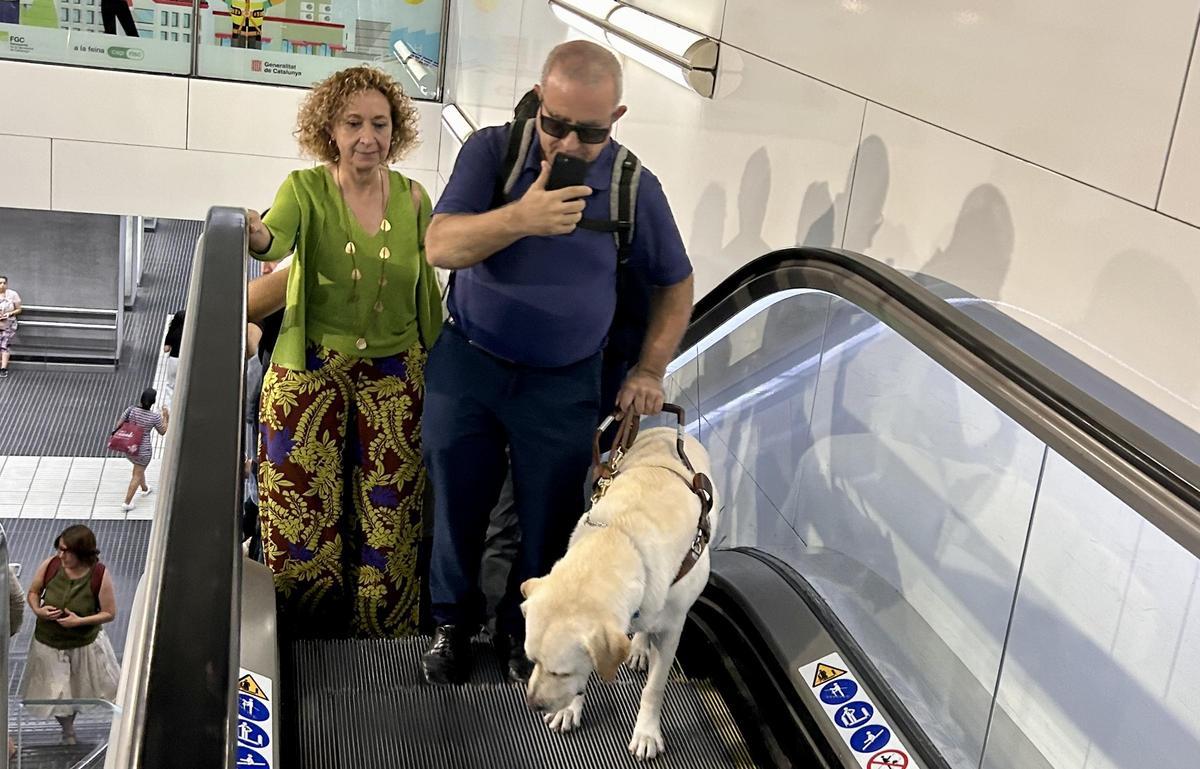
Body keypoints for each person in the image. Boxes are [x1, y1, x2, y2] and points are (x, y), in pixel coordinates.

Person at [420, 40, 695, 684]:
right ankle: (451, 625)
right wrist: (521, 217)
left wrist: (649, 370)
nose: (568, 145)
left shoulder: (632, 187)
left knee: (549, 520)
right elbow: (440, 244)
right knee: (458, 504)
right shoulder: (494, 153)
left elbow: (675, 284)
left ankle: (526, 635)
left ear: (617, 118)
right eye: (555, 125)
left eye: (590, 132)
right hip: (471, 362)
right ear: (538, 103)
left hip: (565, 381)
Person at [246, 65, 442, 639]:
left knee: (390, 513)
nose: (367, 137)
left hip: (396, 372)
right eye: (353, 123)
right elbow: (275, 237)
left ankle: (381, 636)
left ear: (394, 130)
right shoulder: (304, 189)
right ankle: (301, 636)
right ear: (329, 129)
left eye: (379, 124)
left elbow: (430, 277)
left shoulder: (412, 197)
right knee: (300, 508)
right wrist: (254, 232)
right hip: (311, 368)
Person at [20, 525, 120, 747]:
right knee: (59, 693)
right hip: (49, 644)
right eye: (59, 549)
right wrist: (38, 610)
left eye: (66, 551)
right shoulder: (51, 565)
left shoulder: (99, 574)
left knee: (79, 690)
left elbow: (109, 613)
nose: (60, 555)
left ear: (82, 552)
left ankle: (73, 727)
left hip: (82, 646)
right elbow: (34, 591)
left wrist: (79, 621)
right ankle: (67, 730)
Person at [116, 387, 169, 512]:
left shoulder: (131, 410)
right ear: (153, 402)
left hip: (129, 448)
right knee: (137, 474)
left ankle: (145, 488)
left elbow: (118, 424)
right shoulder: (154, 417)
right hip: (143, 451)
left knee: (138, 469)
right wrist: (166, 417)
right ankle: (127, 503)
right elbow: (163, 431)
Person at [161, 310, 185, 410]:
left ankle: (167, 410)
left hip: (174, 359)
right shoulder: (189, 332)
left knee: (170, 385)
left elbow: (166, 349)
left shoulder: (173, 331)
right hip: (185, 360)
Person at [0, 275, 22, 379]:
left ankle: (3, 368)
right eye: (0, 283)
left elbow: (19, 309)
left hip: (8, 324)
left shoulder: (13, 294)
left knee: (5, 345)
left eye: (4, 283)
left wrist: (10, 314)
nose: (2, 285)